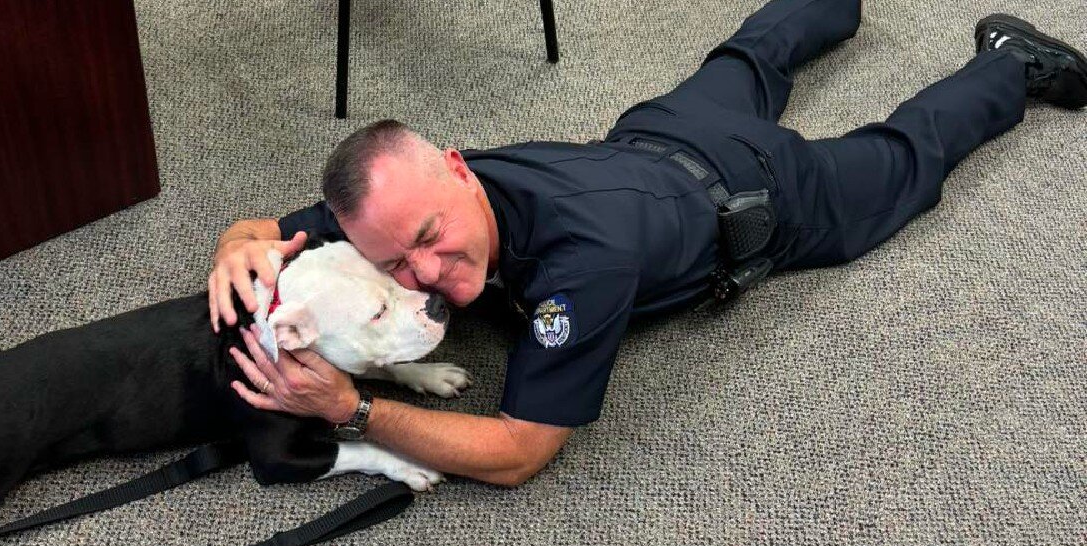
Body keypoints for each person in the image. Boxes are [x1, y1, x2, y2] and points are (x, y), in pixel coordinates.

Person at [208, 1, 1087, 487]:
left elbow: (519, 452)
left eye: (431, 242)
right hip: (657, 134)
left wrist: (353, 412)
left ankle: (1012, 60)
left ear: (456, 168)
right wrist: (237, 241)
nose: (426, 275)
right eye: (395, 262)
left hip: (763, 192)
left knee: (903, 161)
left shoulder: (581, 274)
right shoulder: (411, 198)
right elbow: (287, 230)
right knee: (750, 55)